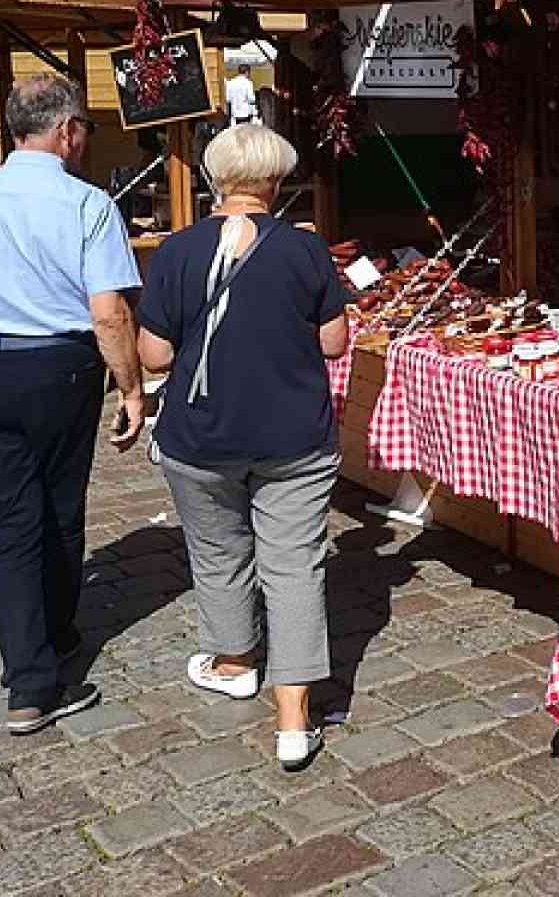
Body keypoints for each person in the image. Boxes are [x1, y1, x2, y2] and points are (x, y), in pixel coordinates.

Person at [0, 74, 144, 735]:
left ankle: (29, 666)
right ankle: (49, 652)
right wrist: (130, 388)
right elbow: (108, 312)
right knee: (60, 508)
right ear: (67, 130)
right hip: (58, 367)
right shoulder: (88, 203)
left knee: (10, 527)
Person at [136, 123, 348, 772]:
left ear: (214, 178)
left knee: (218, 553)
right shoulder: (306, 250)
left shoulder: (177, 250)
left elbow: (154, 354)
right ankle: (294, 720)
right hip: (294, 435)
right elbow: (335, 343)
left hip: (201, 434)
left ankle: (234, 663)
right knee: (295, 567)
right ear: (276, 182)